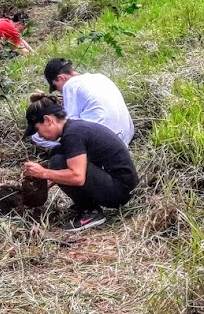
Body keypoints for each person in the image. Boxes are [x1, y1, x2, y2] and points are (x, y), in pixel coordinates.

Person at [22, 93, 139, 232]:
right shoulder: (74, 128)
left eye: (37, 129)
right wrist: (51, 180)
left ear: (48, 120)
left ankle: (91, 211)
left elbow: (77, 177)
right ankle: (87, 205)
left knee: (58, 162)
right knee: (57, 153)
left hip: (121, 191)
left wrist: (43, 173)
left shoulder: (73, 135)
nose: (39, 135)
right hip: (121, 185)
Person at [38, 58, 134, 146]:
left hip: (103, 142)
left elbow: (68, 125)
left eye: (55, 86)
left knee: (41, 140)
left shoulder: (71, 85)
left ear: (62, 77)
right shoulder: (100, 77)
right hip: (125, 137)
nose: (59, 91)